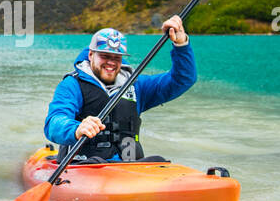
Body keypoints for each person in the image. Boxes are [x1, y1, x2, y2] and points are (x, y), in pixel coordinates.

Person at [43, 18, 194, 163]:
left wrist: (181, 44)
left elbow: (182, 79)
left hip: (129, 165)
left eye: (117, 57)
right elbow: (54, 123)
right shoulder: (72, 85)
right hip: (83, 165)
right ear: (91, 55)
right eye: (104, 56)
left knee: (159, 160)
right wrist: (77, 129)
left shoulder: (137, 85)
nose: (111, 62)